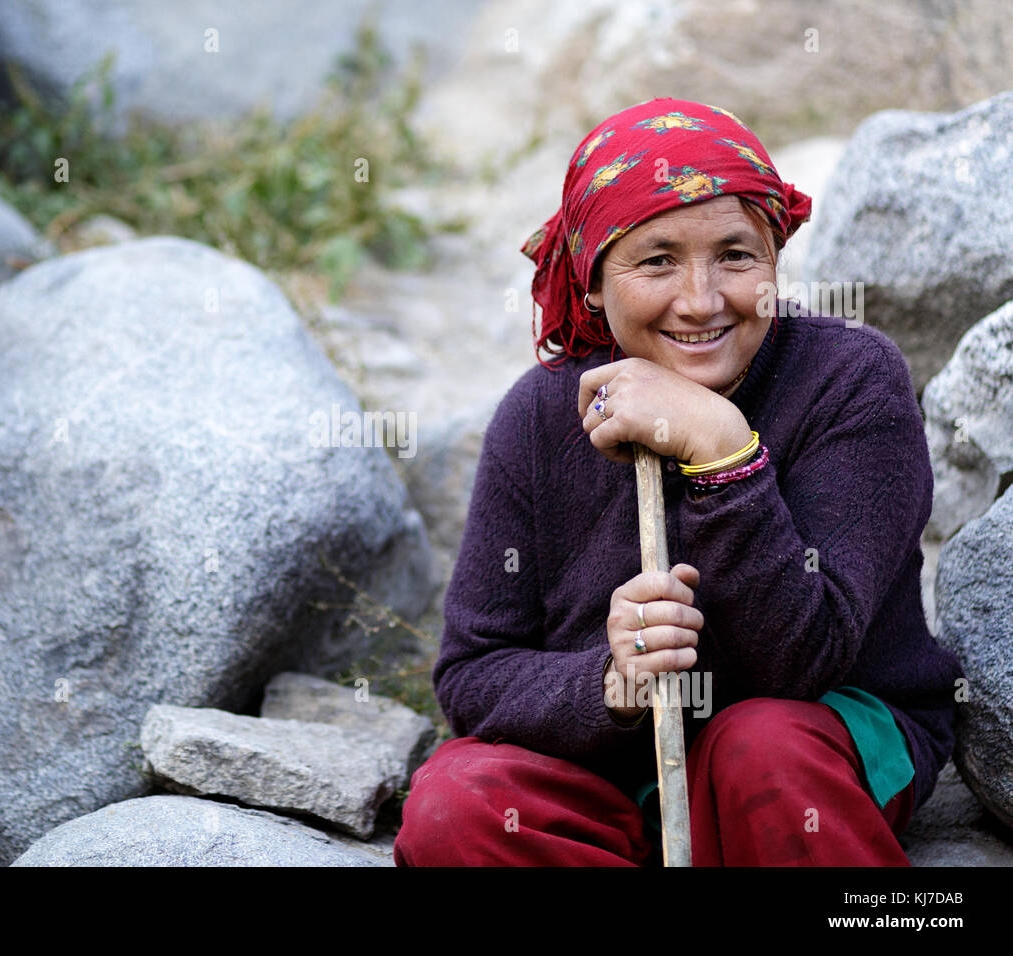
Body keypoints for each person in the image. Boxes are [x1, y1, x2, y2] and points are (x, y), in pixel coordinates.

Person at [393, 97, 964, 866]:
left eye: (736, 255)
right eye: (656, 260)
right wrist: (610, 679)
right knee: (454, 807)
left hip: (812, 739)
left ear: (774, 260)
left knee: (754, 746)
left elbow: (805, 661)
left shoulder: (850, 380)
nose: (701, 301)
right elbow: (472, 674)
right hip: (617, 769)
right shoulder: (537, 416)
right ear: (593, 282)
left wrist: (723, 450)